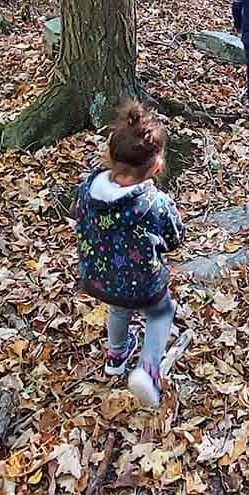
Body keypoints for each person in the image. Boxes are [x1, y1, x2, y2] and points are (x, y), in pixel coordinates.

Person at [71, 99, 185, 409]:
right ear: (155, 167)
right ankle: (147, 371)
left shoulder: (87, 189)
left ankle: (116, 356)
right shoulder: (154, 203)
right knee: (160, 314)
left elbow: (76, 214)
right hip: (143, 281)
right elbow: (174, 237)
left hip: (100, 276)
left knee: (118, 309)